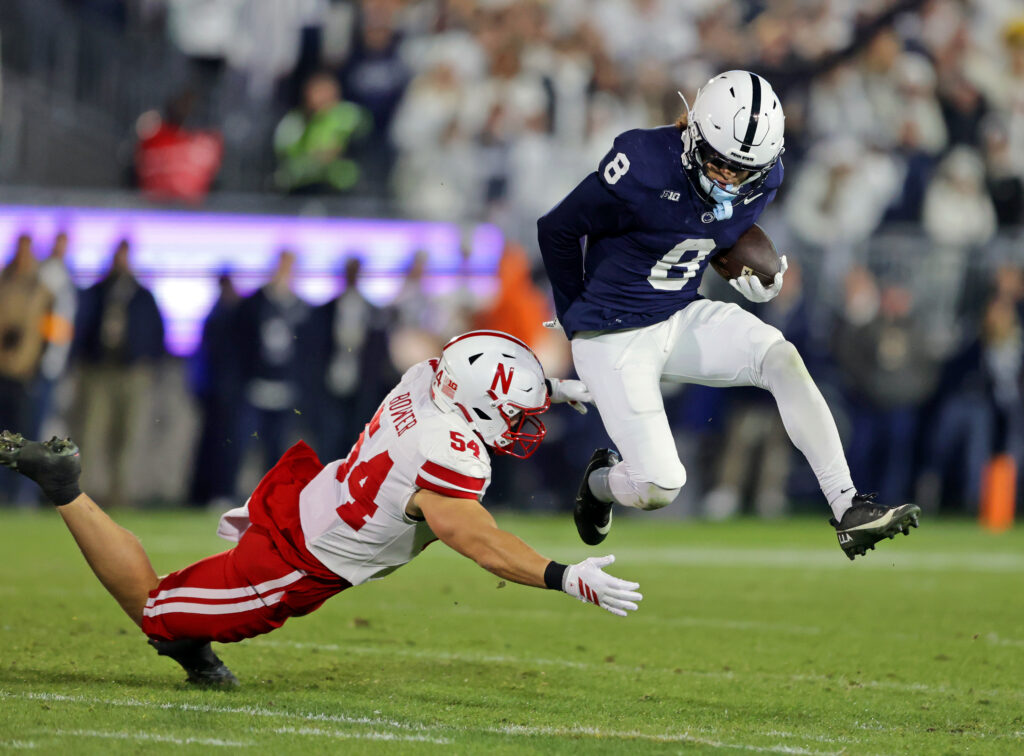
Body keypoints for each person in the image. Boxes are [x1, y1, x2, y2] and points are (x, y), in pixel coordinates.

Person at [0, 331, 640, 686]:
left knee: (191, 609)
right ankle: (63, 485)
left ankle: (197, 655)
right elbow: (476, 538)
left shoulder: (427, 377)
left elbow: (470, 372)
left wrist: (548, 386)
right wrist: (562, 575)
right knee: (155, 609)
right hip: (296, 559)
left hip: (311, 494)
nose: (525, 424)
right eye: (518, 413)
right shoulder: (451, 454)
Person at [537, 70, 921, 560]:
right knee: (660, 486)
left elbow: (714, 233)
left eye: (741, 170)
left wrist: (759, 279)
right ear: (695, 133)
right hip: (611, 332)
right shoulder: (643, 164)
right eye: (718, 162)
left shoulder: (766, 179)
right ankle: (600, 484)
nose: (727, 177)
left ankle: (848, 507)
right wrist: (573, 316)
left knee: (780, 357)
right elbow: (557, 228)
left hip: (679, 312)